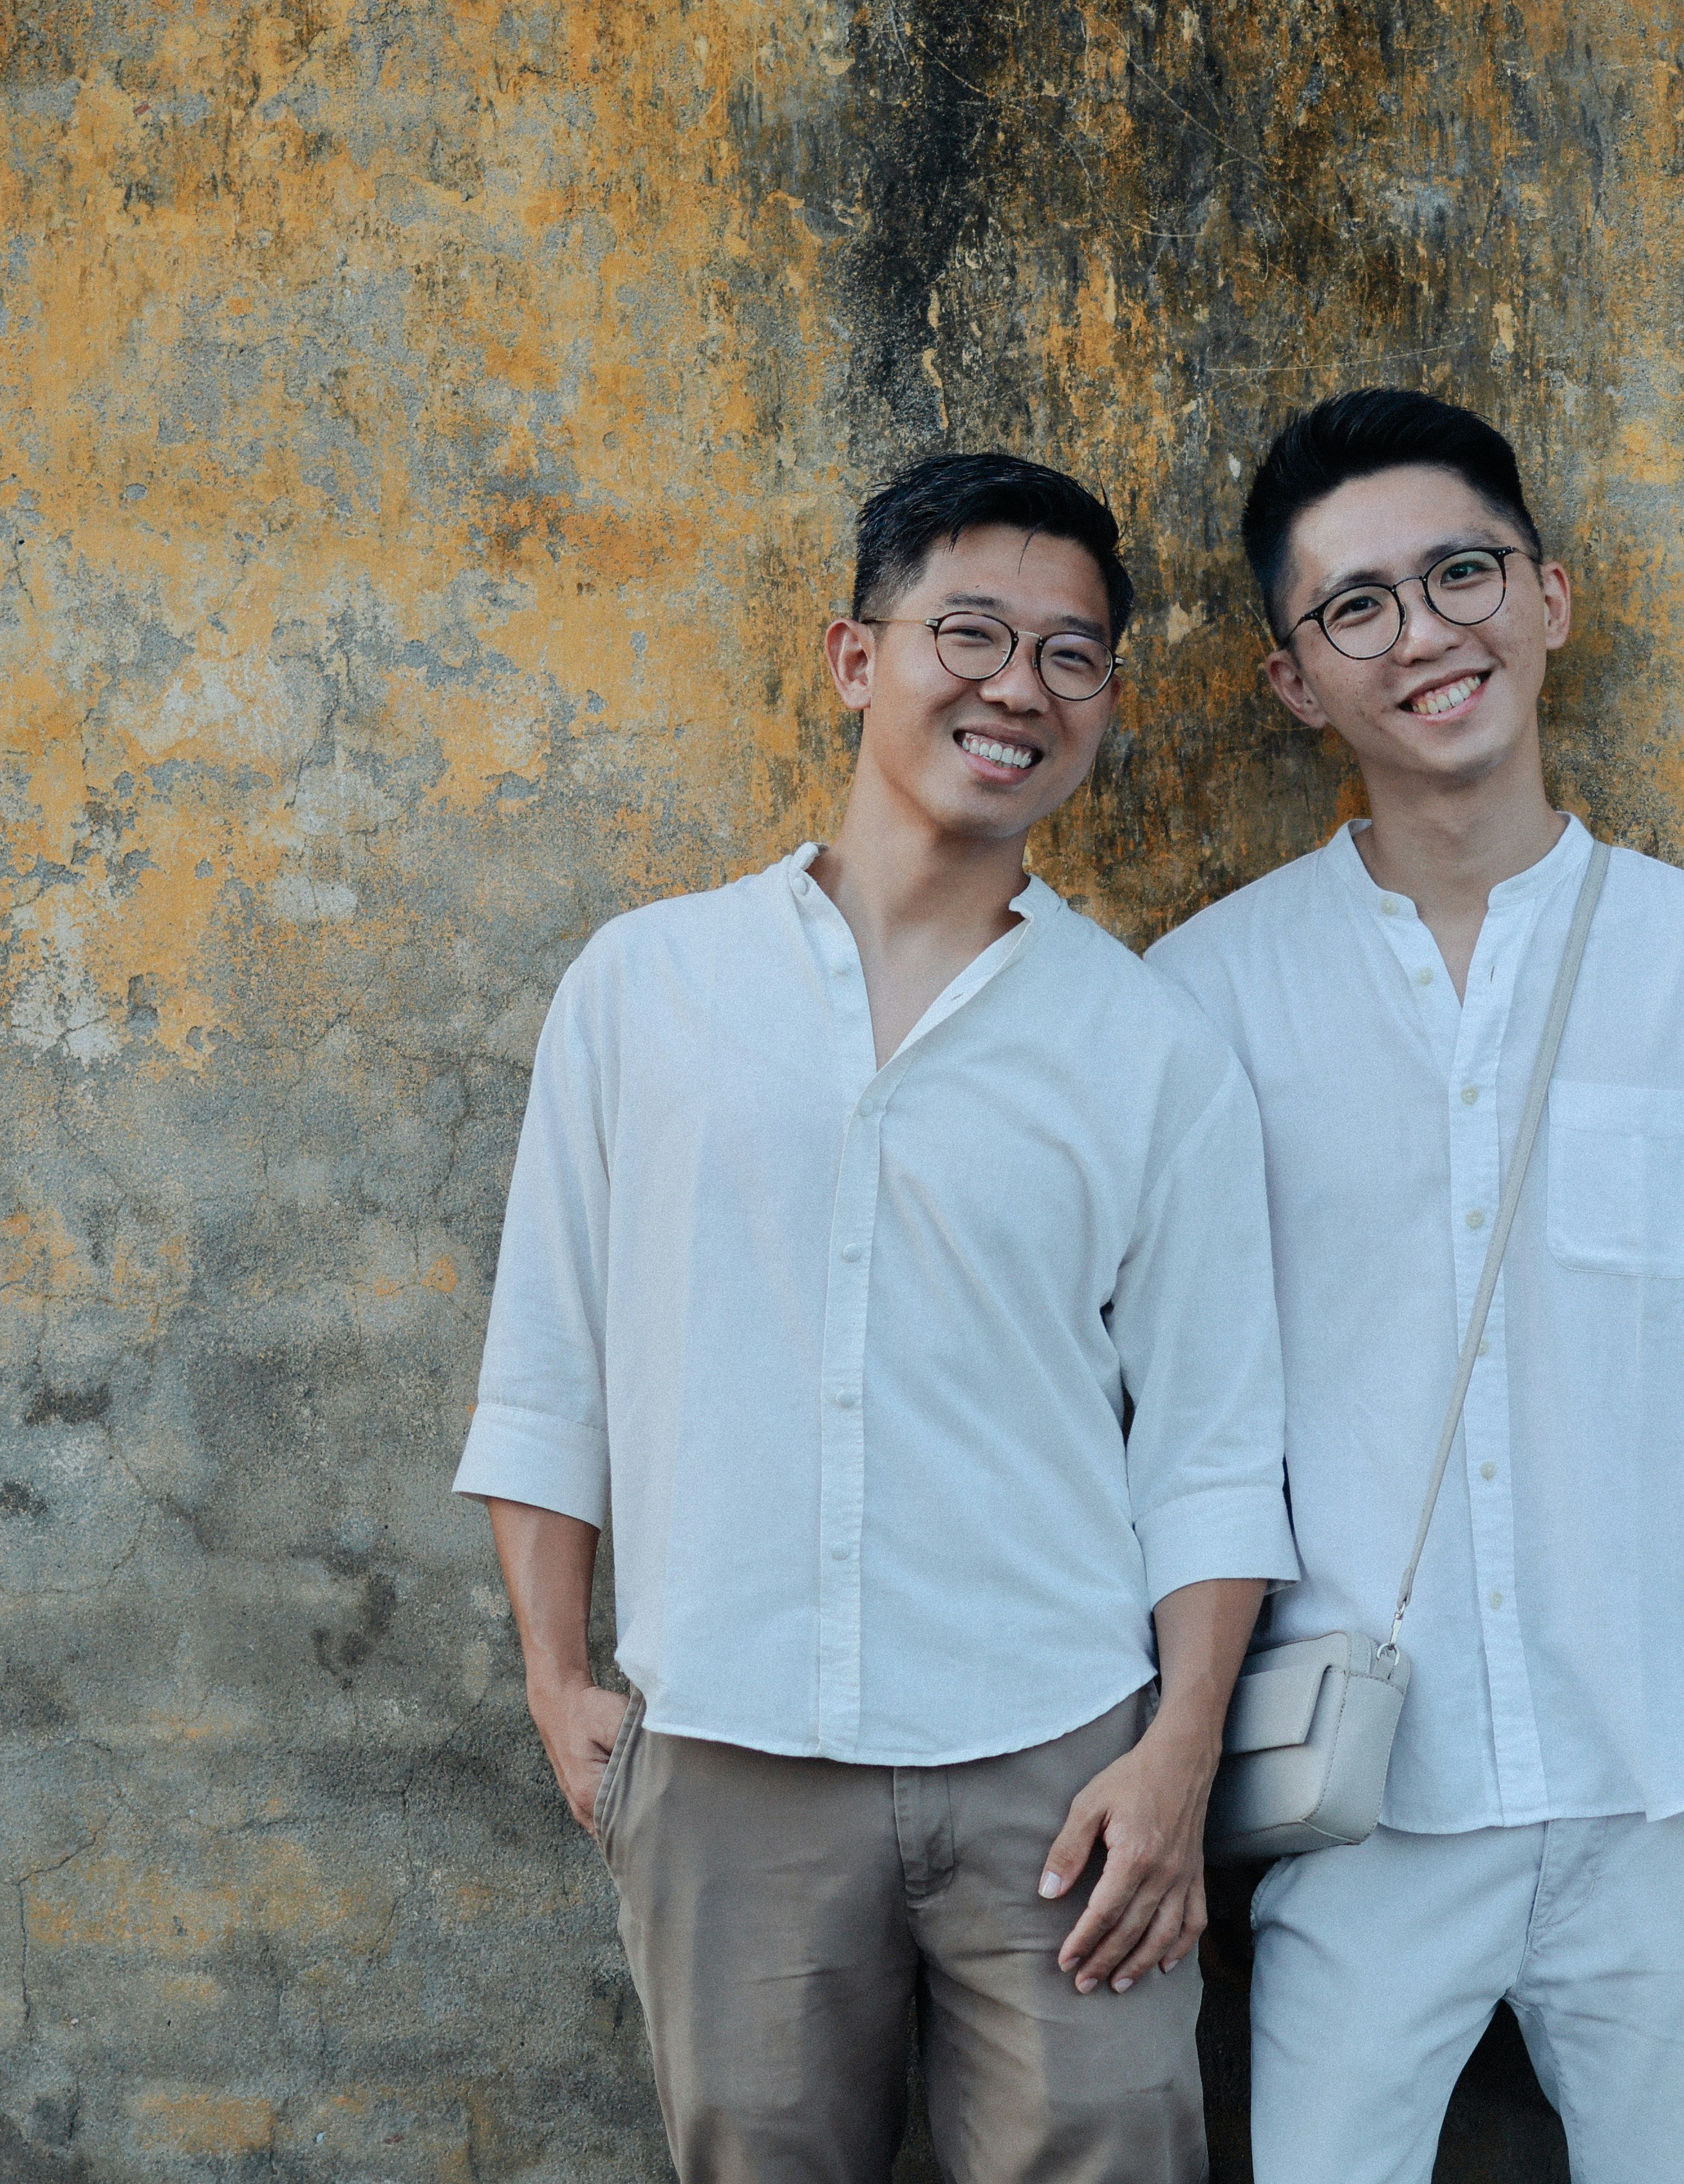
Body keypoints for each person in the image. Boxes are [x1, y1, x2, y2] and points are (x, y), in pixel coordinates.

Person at [454, 451, 1296, 2184]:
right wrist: (554, 1675)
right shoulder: (647, 989)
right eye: (969, 633)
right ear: (856, 658)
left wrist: (1180, 1755)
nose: (1019, 687)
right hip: (729, 1746)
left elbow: (1215, 1446)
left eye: (1071, 655)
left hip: (1063, 1758)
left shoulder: (1148, 1045)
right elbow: (552, 1359)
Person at [1150, 388, 1684, 2183]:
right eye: (1357, 607)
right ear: (1294, 681)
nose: (1425, 634)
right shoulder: (1208, 998)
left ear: (1548, 598)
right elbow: (1182, 1426)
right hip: (1359, 1802)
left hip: (1679, 1792)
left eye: (1461, 573)